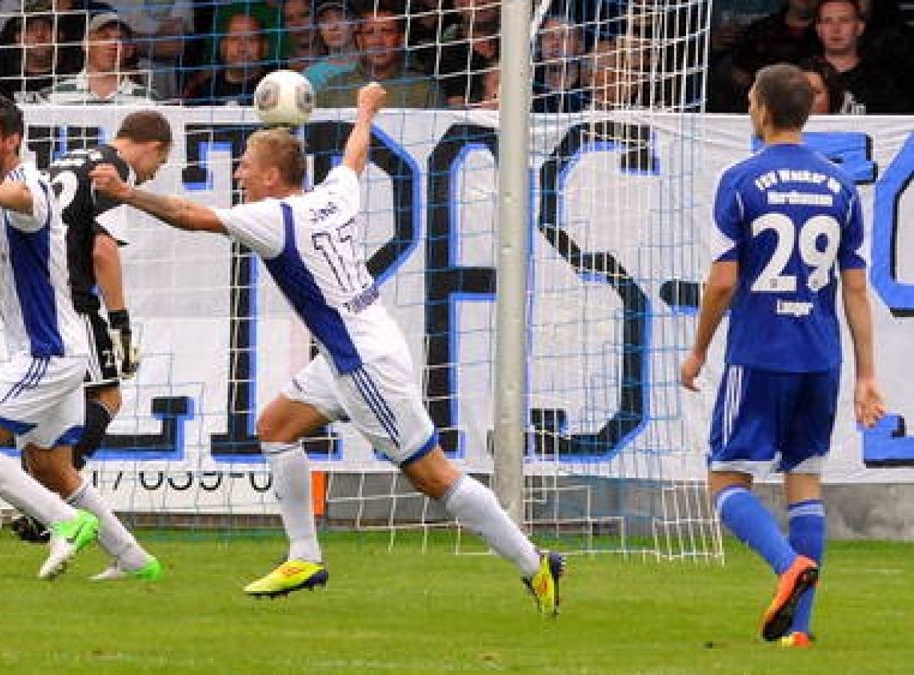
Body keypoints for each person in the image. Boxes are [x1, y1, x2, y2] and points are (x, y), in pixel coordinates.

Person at [91, 83, 564, 609]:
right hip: (352, 351)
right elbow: (354, 158)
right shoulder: (331, 197)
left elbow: (188, 215)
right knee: (274, 428)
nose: (240, 174)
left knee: (433, 476)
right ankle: (304, 557)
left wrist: (127, 192)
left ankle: (536, 564)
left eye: (246, 165)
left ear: (272, 177)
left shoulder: (274, 218)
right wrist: (365, 112)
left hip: (362, 363)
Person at [680, 63, 885, 647]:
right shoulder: (841, 186)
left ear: (763, 108)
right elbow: (853, 287)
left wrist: (698, 350)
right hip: (820, 357)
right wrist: (867, 374)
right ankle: (802, 631)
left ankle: (786, 566)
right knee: (805, 483)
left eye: (750, 97)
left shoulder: (741, 179)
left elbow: (723, 283)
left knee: (725, 482)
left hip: (759, 352)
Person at [0, 97, 161, 582]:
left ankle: (63, 521)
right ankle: (133, 558)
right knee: (50, 466)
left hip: (50, 354)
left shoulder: (28, 186)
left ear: (12, 140)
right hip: (57, 351)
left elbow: (30, 205)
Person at [8, 113, 173, 586]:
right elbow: (103, 250)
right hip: (74, 306)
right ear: (150, 146)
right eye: (162, 157)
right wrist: (120, 322)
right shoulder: (111, 173)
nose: (158, 169)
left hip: (39, 299)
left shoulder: (72, 161)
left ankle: (55, 504)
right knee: (106, 399)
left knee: (58, 432)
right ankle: (51, 506)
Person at [319, 0, 441, 108]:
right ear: (359, 41)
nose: (377, 41)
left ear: (401, 40)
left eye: (386, 32)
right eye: (369, 32)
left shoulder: (425, 89)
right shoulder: (333, 88)